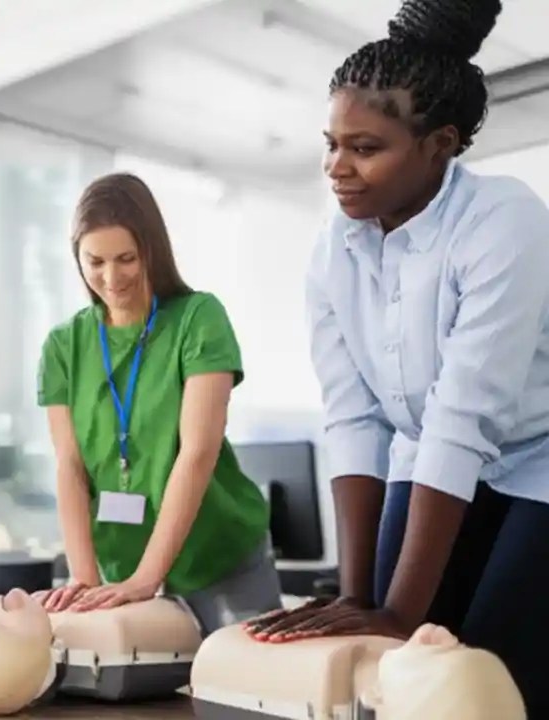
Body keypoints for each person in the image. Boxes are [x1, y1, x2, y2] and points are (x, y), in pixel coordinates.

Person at [246, 0, 549, 715]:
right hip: (427, 454)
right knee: (388, 664)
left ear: (439, 144)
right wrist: (359, 599)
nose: (336, 168)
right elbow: (353, 418)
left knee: (488, 667)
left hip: (538, 456)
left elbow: (463, 417)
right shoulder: (334, 249)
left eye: (365, 147)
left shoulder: (506, 220)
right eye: (330, 143)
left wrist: (397, 613)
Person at [33, 172, 281, 635]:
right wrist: (84, 575)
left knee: (243, 688)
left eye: (126, 258)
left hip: (218, 556)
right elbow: (70, 465)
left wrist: (151, 576)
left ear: (152, 249)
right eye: (95, 261)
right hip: (121, 566)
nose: (111, 277)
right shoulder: (64, 346)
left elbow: (198, 451)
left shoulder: (198, 318)